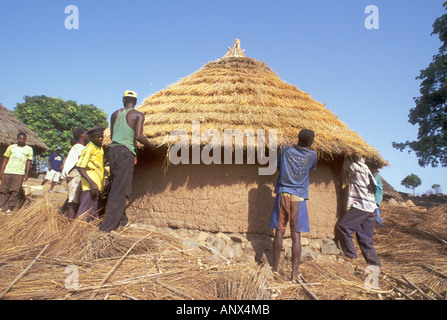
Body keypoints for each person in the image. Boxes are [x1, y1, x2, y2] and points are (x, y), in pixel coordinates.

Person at [99, 90, 156, 233]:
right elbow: (138, 136)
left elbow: (112, 136)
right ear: (136, 102)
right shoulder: (138, 115)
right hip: (125, 152)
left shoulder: (114, 114)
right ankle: (106, 228)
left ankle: (122, 221)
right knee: (120, 189)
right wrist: (151, 146)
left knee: (116, 185)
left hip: (113, 151)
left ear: (123, 100)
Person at [268, 129, 318, 282]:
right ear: (310, 142)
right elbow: (312, 168)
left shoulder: (284, 150)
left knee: (279, 231)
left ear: (297, 138)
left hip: (283, 193)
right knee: (296, 235)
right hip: (299, 197)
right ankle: (294, 274)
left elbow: (278, 167)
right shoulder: (313, 155)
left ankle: (275, 269)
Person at [335, 156, 381, 267]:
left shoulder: (356, 167)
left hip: (362, 206)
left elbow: (346, 165)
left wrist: (345, 156)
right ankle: (375, 266)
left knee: (343, 227)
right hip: (372, 208)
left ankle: (352, 257)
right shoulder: (367, 169)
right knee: (365, 239)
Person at [75, 127, 105, 222]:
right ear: (91, 138)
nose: (100, 139)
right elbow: (80, 167)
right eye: (97, 137)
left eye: (101, 137)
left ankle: (86, 230)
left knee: (92, 210)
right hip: (90, 185)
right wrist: (92, 183)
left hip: (96, 185)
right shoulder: (89, 148)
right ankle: (76, 230)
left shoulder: (100, 148)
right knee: (84, 211)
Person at [0, 132, 33, 214]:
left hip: (19, 172)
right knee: (4, 189)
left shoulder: (28, 149)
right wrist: (2, 170)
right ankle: (2, 206)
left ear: (25, 140)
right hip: (8, 171)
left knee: (15, 190)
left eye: (23, 139)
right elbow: (6, 158)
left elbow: (28, 162)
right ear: (17, 139)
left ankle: (10, 207)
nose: (21, 140)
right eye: (19, 139)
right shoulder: (11, 147)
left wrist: (26, 174)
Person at [61, 128, 88, 219]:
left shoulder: (79, 147)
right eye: (85, 133)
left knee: (74, 200)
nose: (87, 135)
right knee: (73, 202)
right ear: (82, 136)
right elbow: (80, 163)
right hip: (75, 175)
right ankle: (69, 223)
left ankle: (66, 218)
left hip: (76, 175)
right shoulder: (79, 148)